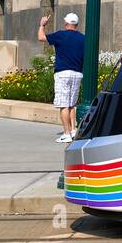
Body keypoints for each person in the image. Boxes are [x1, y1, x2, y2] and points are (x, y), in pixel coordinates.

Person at [38, 12, 85, 144]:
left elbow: (41, 37)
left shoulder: (61, 35)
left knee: (63, 104)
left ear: (66, 23)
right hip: (77, 73)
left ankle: (66, 133)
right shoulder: (83, 38)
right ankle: (73, 130)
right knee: (72, 104)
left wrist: (42, 25)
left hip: (63, 73)